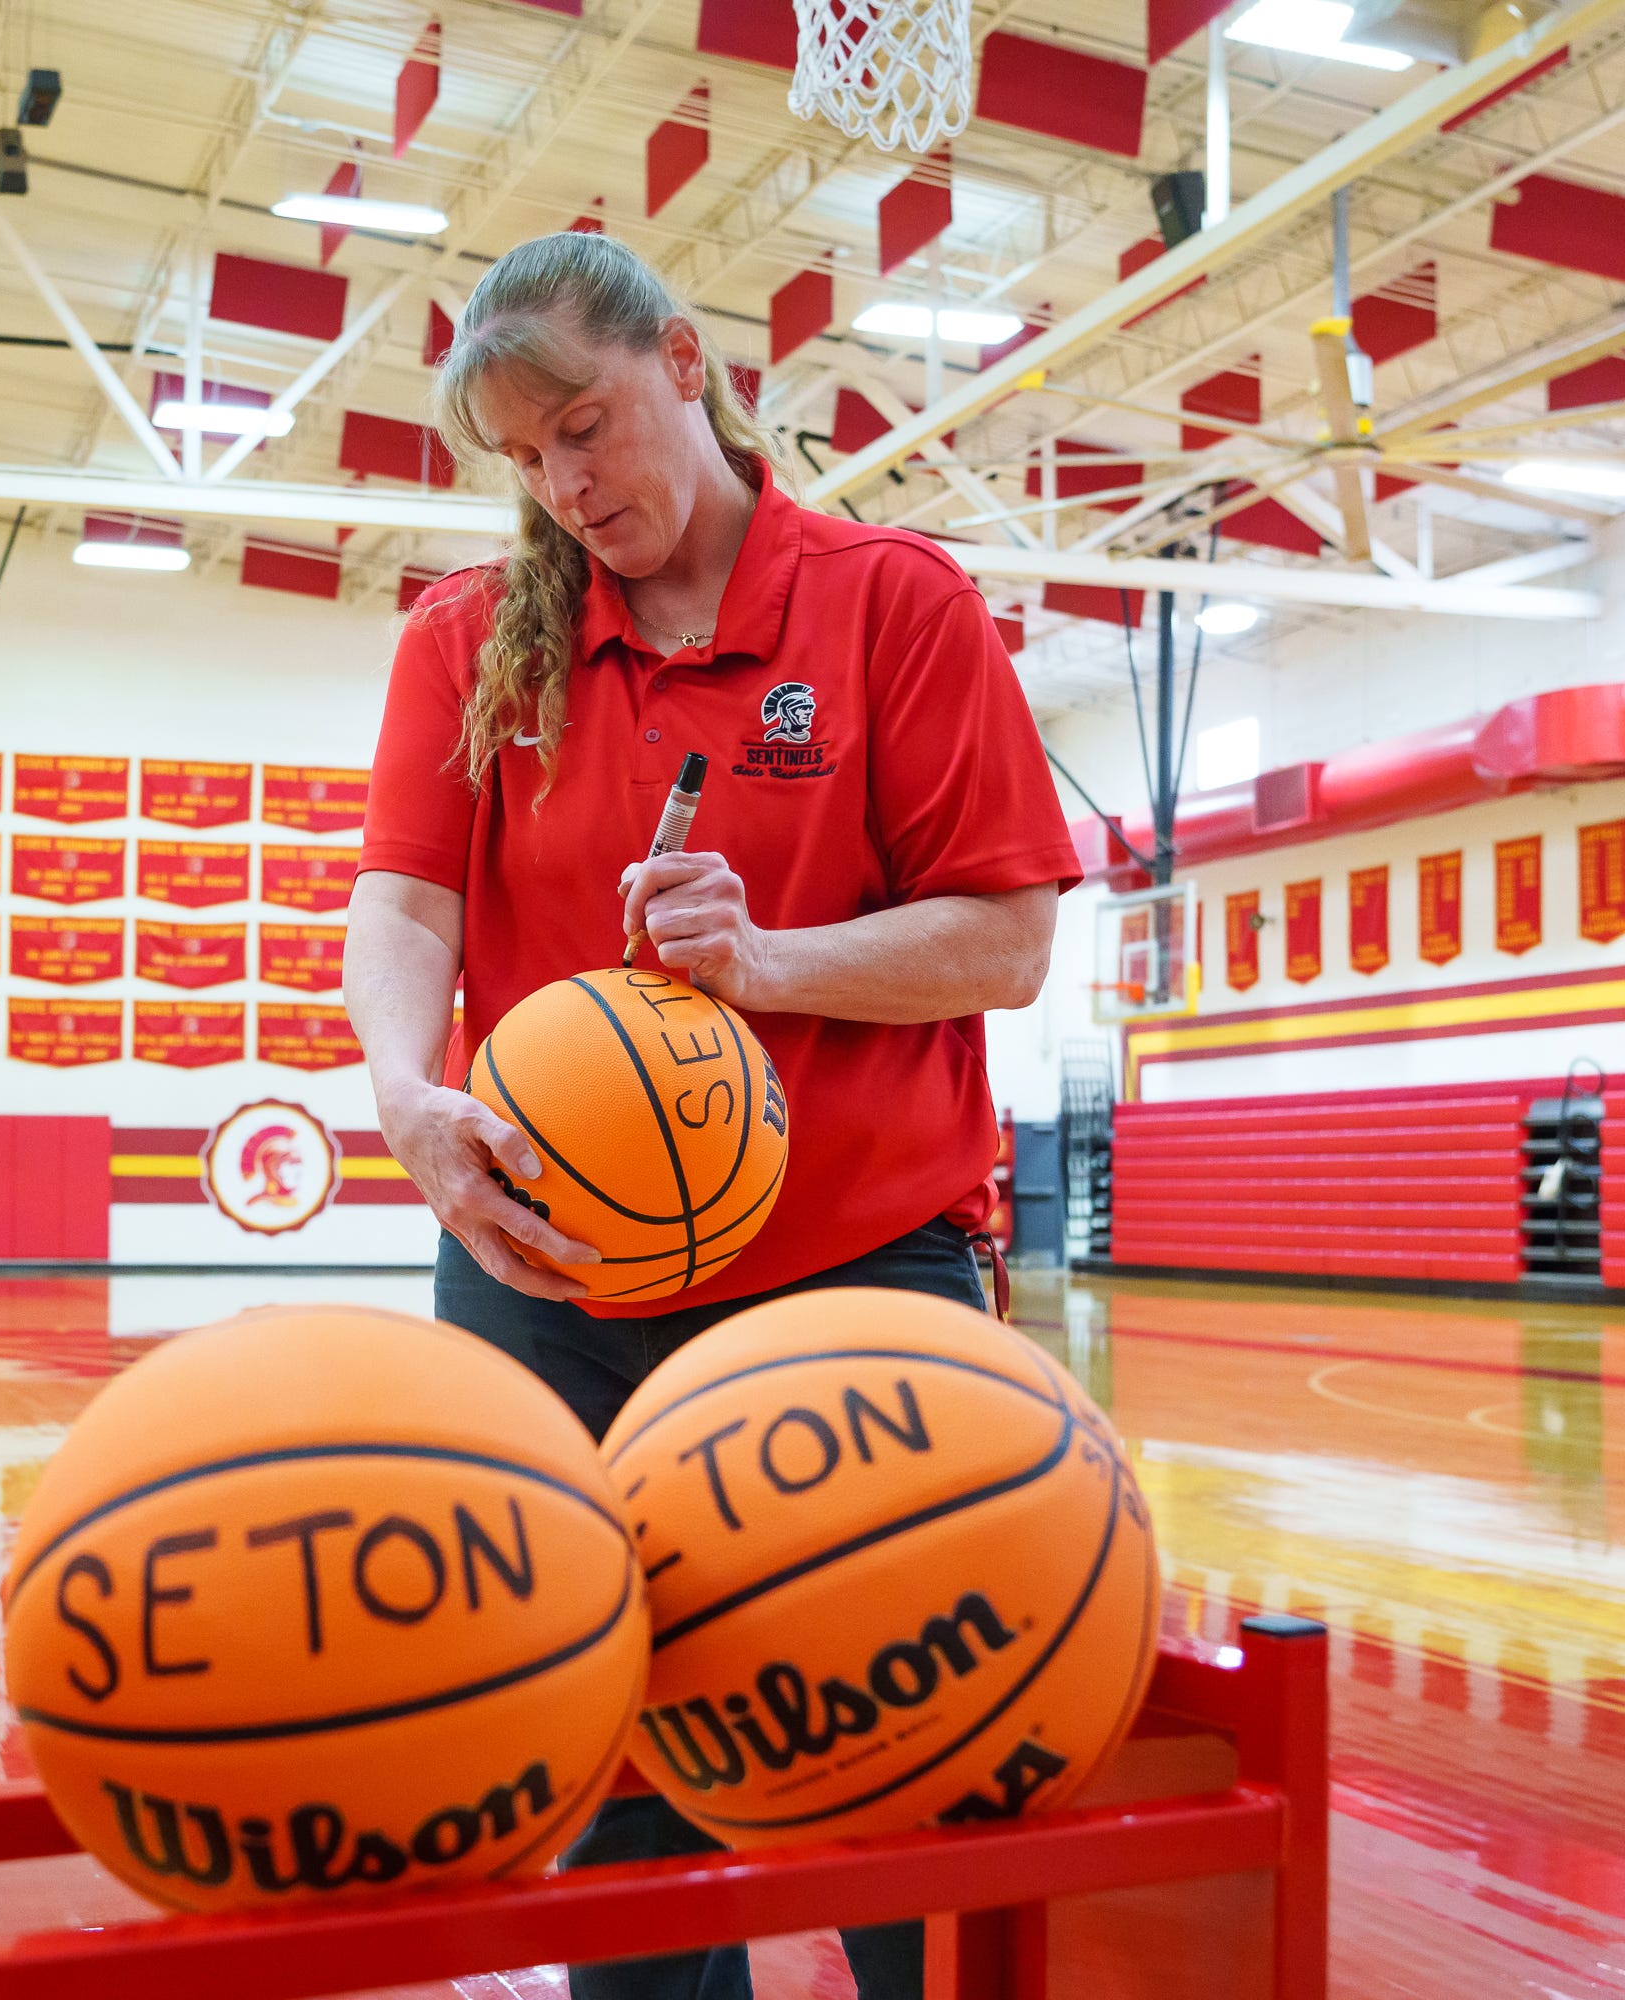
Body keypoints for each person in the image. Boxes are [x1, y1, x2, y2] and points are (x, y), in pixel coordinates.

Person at [344, 230, 1081, 2000]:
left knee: (902, 1737)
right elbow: (407, 909)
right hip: (552, 1266)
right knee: (612, 1768)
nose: (564, 486)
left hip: (853, 1263)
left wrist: (768, 962)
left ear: (688, 365)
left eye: (584, 427)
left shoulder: (894, 601)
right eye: (523, 460)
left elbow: (1011, 936)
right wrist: (401, 1092)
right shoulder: (466, 638)